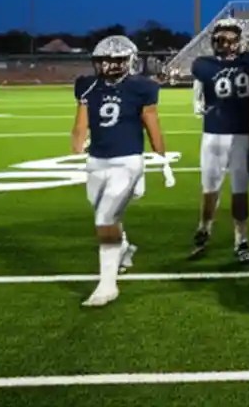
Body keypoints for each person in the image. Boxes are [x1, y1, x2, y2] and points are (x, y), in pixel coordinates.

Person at [70, 36, 167, 307]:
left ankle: (108, 284)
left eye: (115, 61)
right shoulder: (86, 85)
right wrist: (77, 143)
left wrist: (162, 155)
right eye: (104, 61)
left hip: (128, 160)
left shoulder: (142, 87)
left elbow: (151, 119)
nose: (109, 66)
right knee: (104, 212)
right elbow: (81, 121)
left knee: (105, 217)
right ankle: (122, 246)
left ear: (129, 62)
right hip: (97, 160)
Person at [190, 19, 249, 263]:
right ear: (213, 42)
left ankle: (241, 239)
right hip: (213, 135)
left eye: (231, 39)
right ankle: (204, 227)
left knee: (240, 191)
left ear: (239, 42)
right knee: (210, 188)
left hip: (241, 135)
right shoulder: (203, 64)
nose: (226, 44)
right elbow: (199, 95)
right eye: (221, 39)